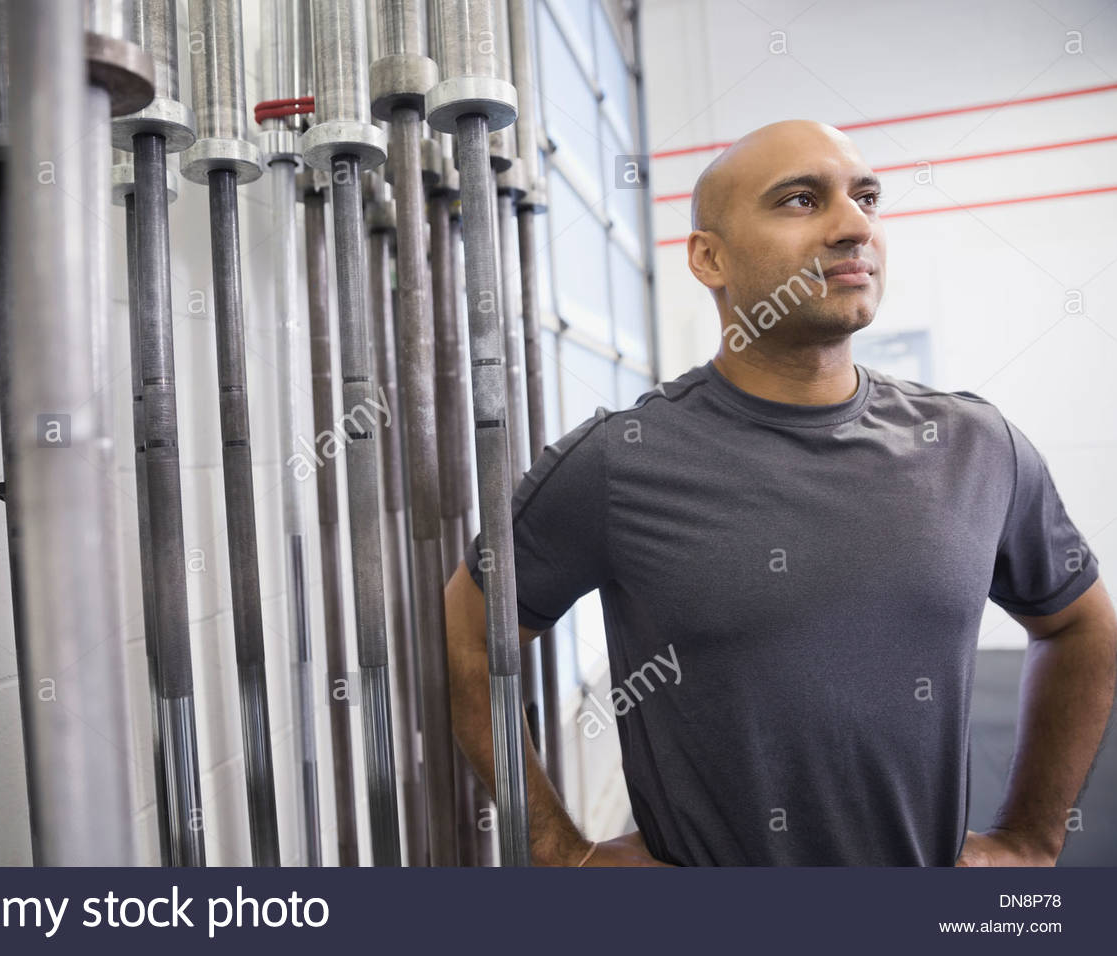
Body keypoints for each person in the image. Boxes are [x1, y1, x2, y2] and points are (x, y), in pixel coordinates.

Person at [443, 119, 1117, 866]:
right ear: (709, 257)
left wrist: (1032, 840)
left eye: (867, 198)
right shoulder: (617, 464)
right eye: (801, 200)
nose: (854, 223)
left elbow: (1080, 626)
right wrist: (557, 850)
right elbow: (469, 637)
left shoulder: (977, 447)